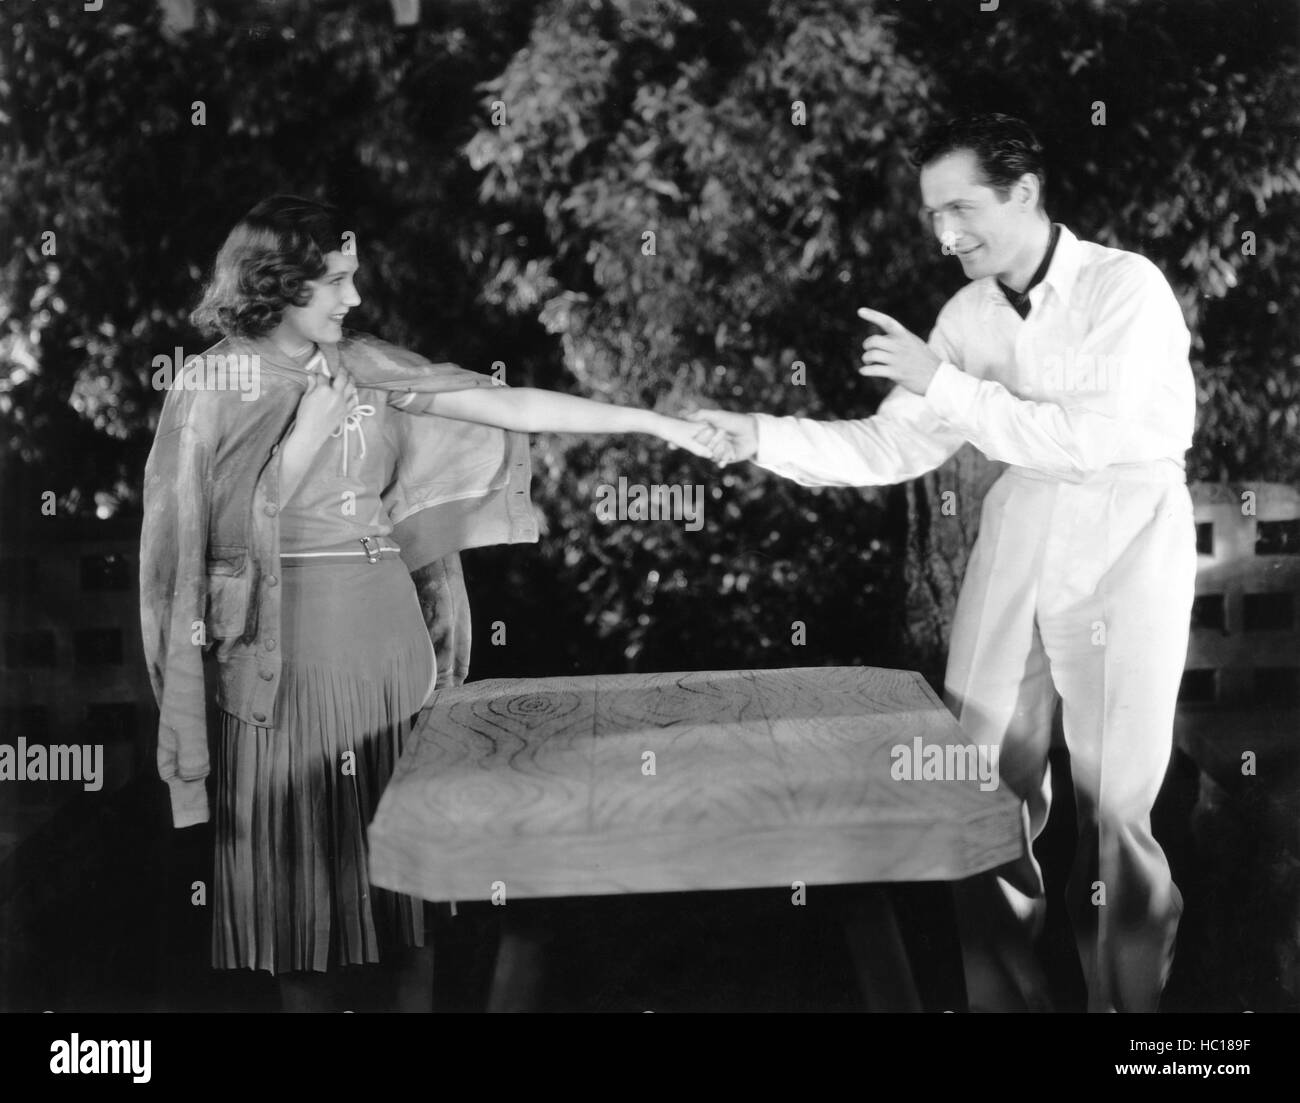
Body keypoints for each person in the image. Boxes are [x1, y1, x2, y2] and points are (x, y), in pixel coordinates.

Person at [140, 195, 726, 1012]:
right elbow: (189, 548)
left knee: (407, 909)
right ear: (277, 283)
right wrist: (310, 431)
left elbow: (508, 403)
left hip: (391, 654)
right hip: (284, 677)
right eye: (335, 281)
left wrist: (655, 424)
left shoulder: (366, 364)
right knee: (299, 913)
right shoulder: (209, 384)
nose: (352, 299)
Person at [689, 114, 1197, 1013]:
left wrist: (945, 383)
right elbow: (892, 444)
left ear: (1025, 193)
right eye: (932, 214)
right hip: (1021, 527)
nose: (944, 233)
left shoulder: (1127, 288)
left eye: (961, 208)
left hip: (1129, 535)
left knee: (1117, 808)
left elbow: (1093, 440)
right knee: (978, 787)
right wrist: (757, 434)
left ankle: (1133, 1029)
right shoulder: (965, 315)